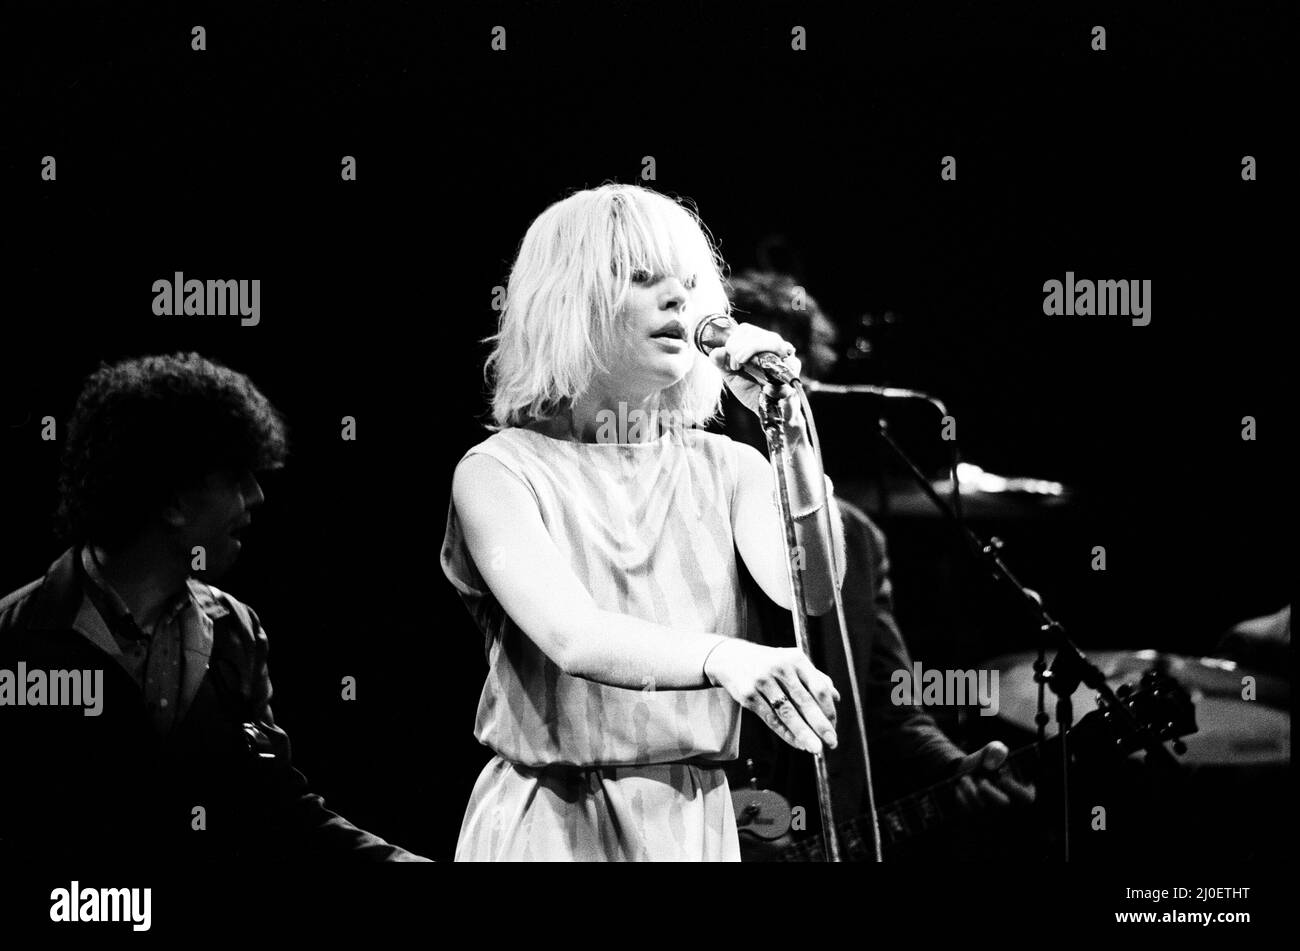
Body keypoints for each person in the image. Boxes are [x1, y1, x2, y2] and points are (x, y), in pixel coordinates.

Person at [441, 183, 847, 861]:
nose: (678, 300)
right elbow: (575, 636)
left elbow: (809, 590)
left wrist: (788, 423)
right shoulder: (498, 470)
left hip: (697, 821)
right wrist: (724, 656)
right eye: (640, 277)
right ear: (565, 300)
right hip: (552, 822)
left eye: (690, 282)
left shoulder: (732, 466)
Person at [0, 352, 428, 862]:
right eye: (236, 477)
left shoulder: (235, 631)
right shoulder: (14, 638)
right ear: (173, 499)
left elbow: (278, 811)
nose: (257, 496)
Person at [720, 270, 1033, 858]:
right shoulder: (682, 514)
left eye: (782, 367)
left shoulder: (854, 539)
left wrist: (952, 766)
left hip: (827, 835)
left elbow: (888, 705)